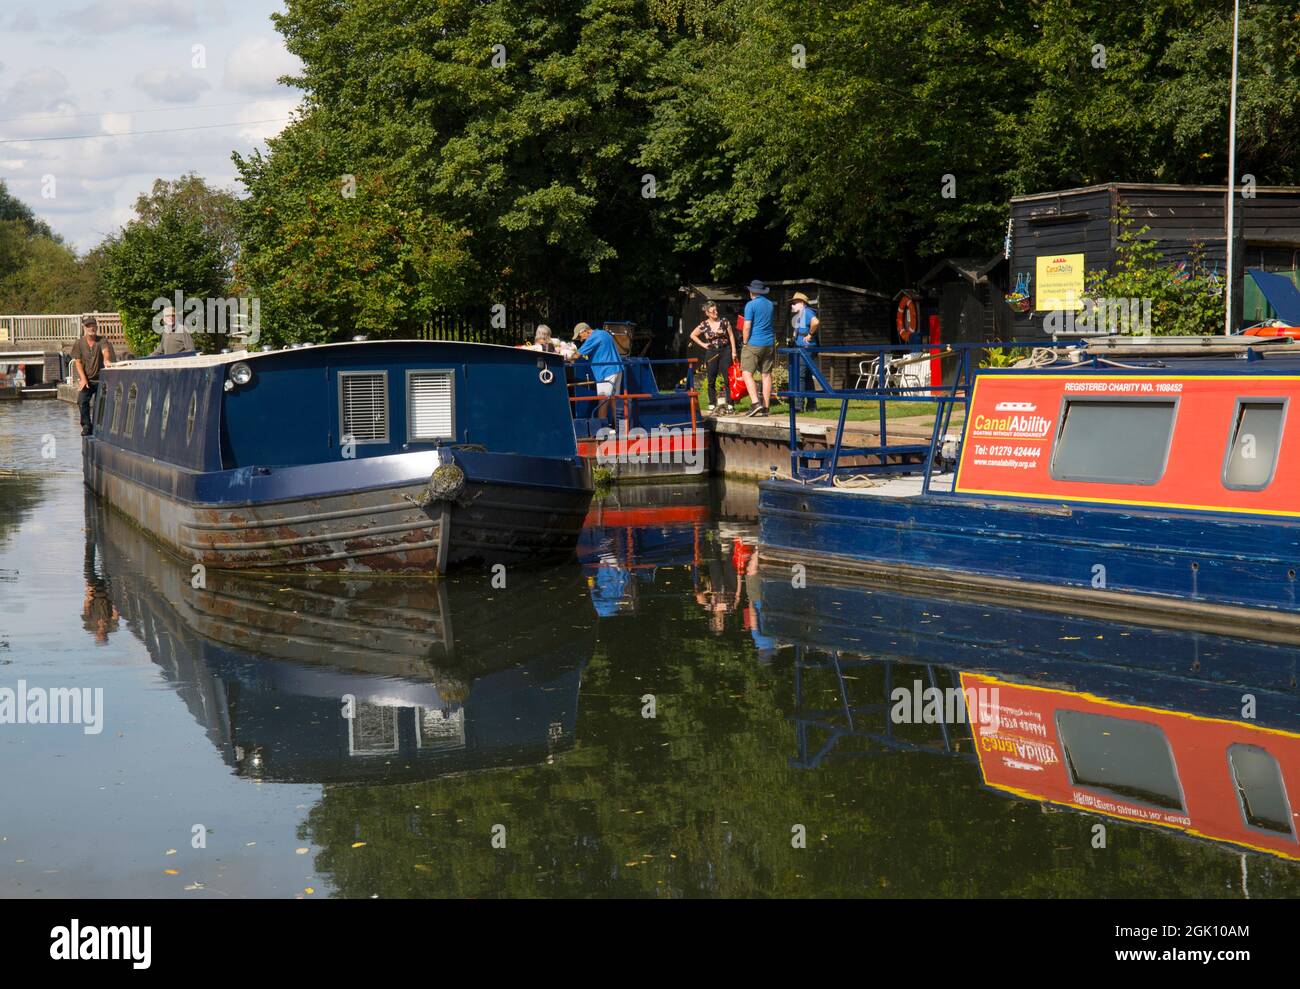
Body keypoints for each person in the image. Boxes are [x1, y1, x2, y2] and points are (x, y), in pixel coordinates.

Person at [688, 302, 738, 414]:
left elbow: (731, 335)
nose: (716, 312)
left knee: (728, 378)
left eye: (716, 310)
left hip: (725, 350)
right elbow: (692, 335)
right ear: (707, 313)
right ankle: (712, 403)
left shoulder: (724, 321)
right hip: (711, 351)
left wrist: (734, 352)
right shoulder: (704, 324)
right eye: (712, 311)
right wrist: (703, 344)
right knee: (711, 378)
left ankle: (730, 403)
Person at [69, 315, 115, 436]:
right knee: (82, 401)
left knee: (101, 402)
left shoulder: (102, 340)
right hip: (87, 379)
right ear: (84, 328)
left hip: (101, 379)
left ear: (96, 327)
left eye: (93, 326)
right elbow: (77, 362)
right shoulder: (79, 343)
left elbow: (106, 351)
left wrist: (106, 361)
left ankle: (101, 426)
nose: (91, 328)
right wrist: (83, 379)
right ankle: (86, 426)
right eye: (89, 326)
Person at [570, 322, 623, 421]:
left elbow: (577, 355)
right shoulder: (604, 333)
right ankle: (620, 430)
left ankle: (601, 430)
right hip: (617, 368)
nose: (581, 340)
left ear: (585, 331)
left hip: (606, 371)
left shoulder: (592, 338)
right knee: (614, 401)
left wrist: (566, 356)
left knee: (602, 401)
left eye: (580, 336)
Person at [740, 279, 776, 417]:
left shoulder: (750, 305)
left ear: (751, 291)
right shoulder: (770, 304)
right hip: (769, 343)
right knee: (766, 374)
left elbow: (747, 326)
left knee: (746, 373)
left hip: (754, 343)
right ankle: (766, 408)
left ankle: (756, 403)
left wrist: (744, 342)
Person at [790, 291, 820, 412]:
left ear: (802, 303)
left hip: (806, 349)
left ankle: (799, 405)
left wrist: (810, 334)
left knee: (800, 376)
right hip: (801, 348)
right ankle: (812, 405)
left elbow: (816, 322)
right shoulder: (800, 315)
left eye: (795, 303)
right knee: (807, 377)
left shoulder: (807, 312)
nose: (792, 305)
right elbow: (798, 330)